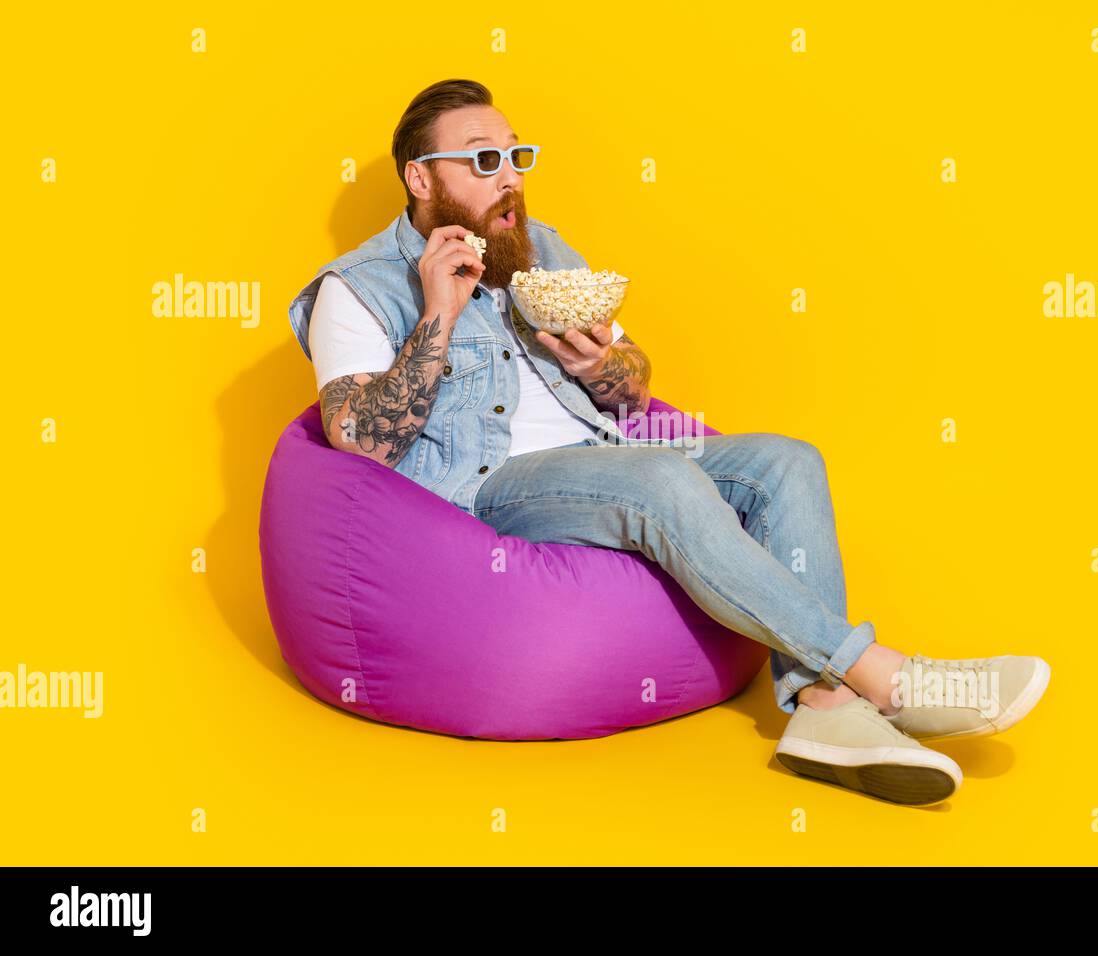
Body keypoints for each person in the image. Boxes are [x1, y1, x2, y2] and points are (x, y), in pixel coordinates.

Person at [287, 79, 1051, 806]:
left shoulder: (543, 252)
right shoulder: (358, 287)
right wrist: (438, 315)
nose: (509, 177)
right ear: (421, 180)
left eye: (517, 156)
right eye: (484, 159)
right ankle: (886, 675)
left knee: (787, 461)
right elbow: (360, 442)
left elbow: (635, 389)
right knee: (659, 476)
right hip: (487, 492)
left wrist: (601, 366)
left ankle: (823, 706)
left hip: (607, 458)